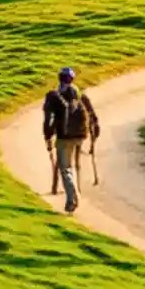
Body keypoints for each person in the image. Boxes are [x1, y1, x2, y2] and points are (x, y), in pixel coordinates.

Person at [42, 67, 100, 214]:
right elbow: (93, 117)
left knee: (65, 168)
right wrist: (93, 136)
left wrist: (48, 137)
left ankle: (72, 198)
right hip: (81, 134)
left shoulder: (55, 95)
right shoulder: (79, 94)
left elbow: (48, 120)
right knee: (73, 164)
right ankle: (75, 190)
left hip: (64, 136)